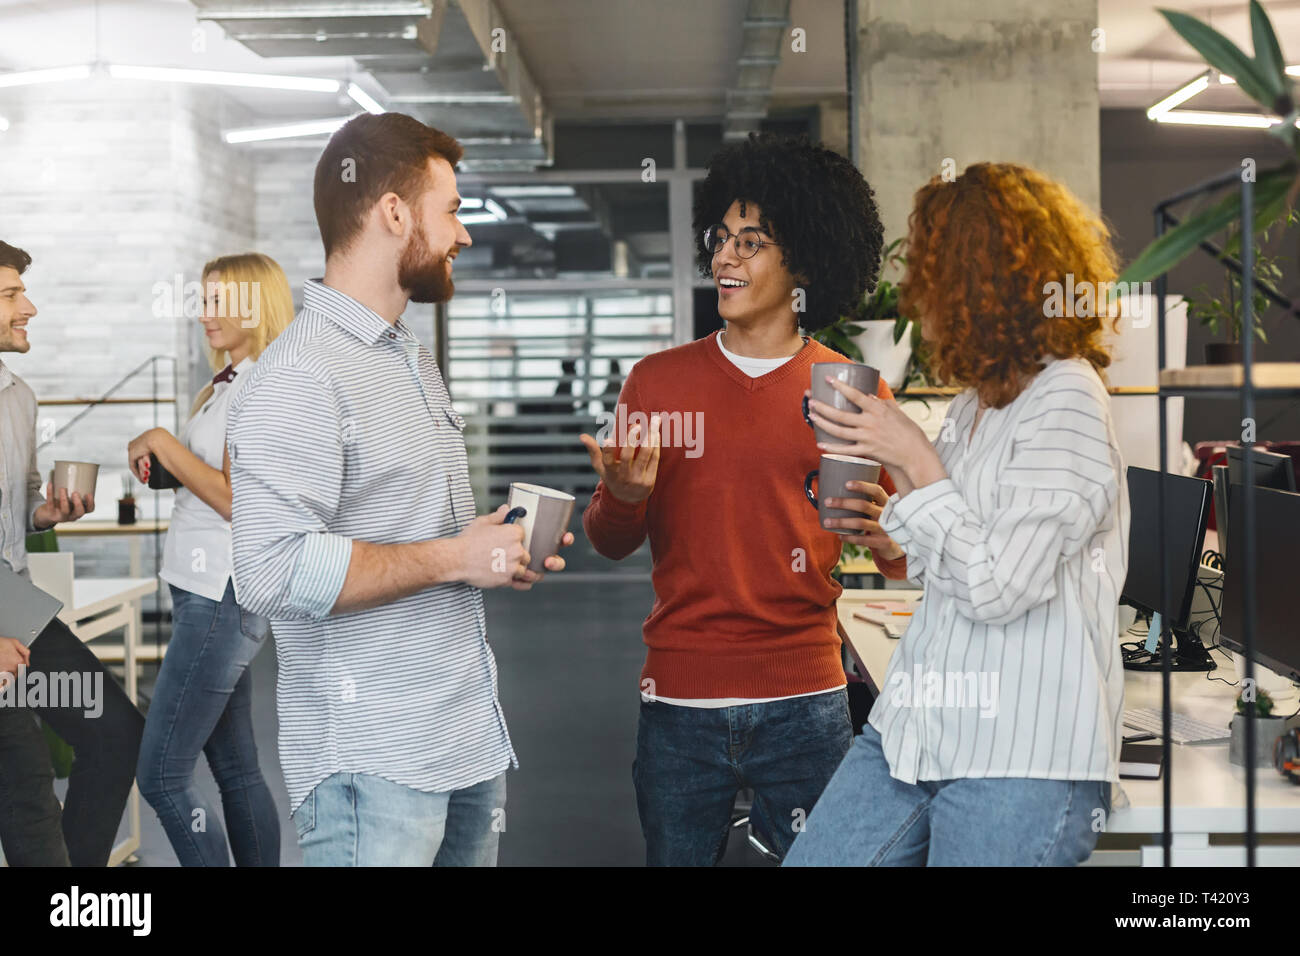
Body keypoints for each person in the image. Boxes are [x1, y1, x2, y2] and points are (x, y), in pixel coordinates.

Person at [226, 112, 573, 867]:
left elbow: (416, 531)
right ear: (392, 212)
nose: (464, 235)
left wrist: (487, 546)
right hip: (371, 767)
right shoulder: (301, 373)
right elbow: (268, 570)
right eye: (450, 211)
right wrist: (452, 558)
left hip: (464, 740)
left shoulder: (408, 359)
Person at [784, 162, 1129, 867]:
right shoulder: (978, 403)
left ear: (986, 282)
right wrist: (891, 521)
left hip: (1020, 758)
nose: (922, 297)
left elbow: (999, 586)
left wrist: (913, 451)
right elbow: (955, 556)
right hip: (916, 728)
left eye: (938, 275)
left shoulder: (1067, 400)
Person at [581, 133, 909, 866]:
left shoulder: (853, 392)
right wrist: (624, 497)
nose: (724, 259)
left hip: (809, 700)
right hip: (680, 705)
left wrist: (887, 539)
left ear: (803, 263)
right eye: (720, 240)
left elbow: (908, 555)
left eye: (750, 243)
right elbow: (606, 539)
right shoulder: (656, 384)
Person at [128, 253, 294, 866]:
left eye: (220, 301)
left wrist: (164, 442)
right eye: (203, 300)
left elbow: (239, 500)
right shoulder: (230, 382)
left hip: (220, 598)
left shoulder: (261, 385)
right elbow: (216, 480)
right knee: (237, 770)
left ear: (258, 304)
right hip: (206, 593)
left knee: (163, 775)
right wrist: (169, 471)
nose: (205, 314)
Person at [0, 240, 145, 866]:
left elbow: (21, 504)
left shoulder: (20, 398)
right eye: (10, 295)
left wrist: (46, 513)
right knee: (28, 789)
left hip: (15, 601)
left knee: (116, 735)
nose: (29, 306)